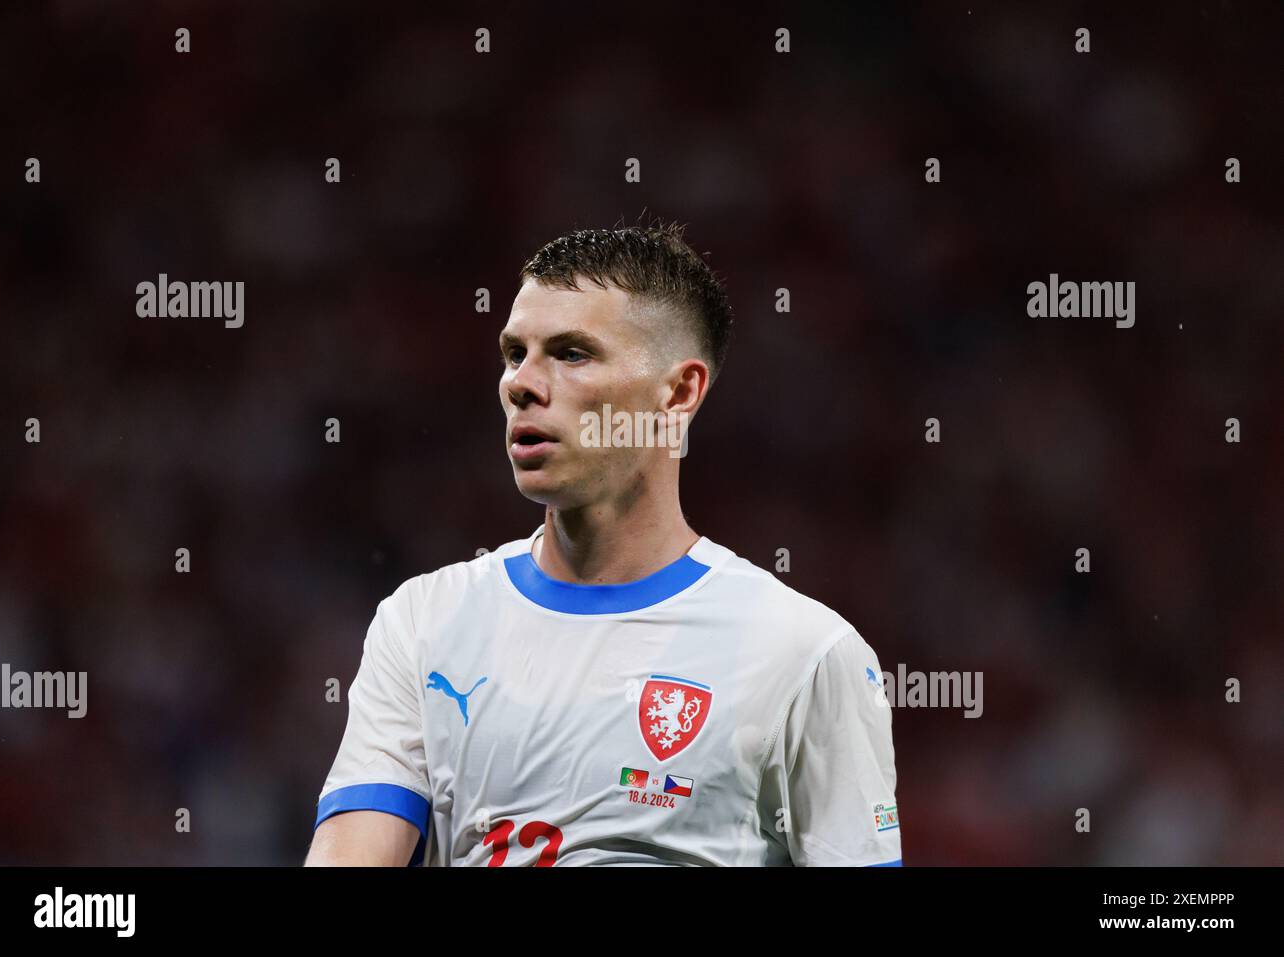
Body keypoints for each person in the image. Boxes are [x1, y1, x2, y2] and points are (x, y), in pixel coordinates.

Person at [305, 222, 901, 866]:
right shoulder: (423, 624)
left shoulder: (803, 653)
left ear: (677, 393)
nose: (520, 383)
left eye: (570, 353)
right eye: (514, 353)